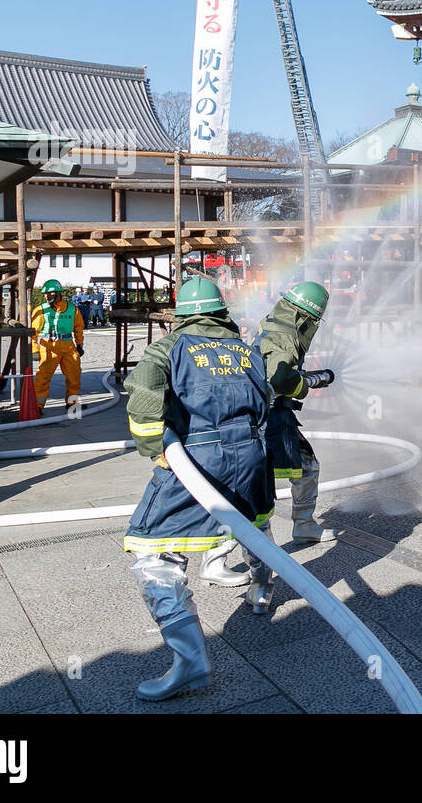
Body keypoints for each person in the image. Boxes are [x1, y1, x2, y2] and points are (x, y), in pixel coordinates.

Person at [122, 277, 273, 701]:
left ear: (181, 314)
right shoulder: (247, 351)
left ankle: (189, 662)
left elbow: (142, 399)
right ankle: (261, 591)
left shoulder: (168, 347)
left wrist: (156, 450)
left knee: (152, 551)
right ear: (222, 313)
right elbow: (265, 404)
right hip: (252, 456)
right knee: (254, 526)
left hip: (198, 458)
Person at [259, 281, 336, 545]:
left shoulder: (275, 327)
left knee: (307, 467)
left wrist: (303, 377)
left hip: (273, 415)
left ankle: (304, 525)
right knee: (254, 486)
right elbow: (279, 380)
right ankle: (218, 554)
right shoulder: (285, 337)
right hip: (266, 419)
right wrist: (306, 384)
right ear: (306, 318)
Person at [30, 280, 84, 411]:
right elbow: (33, 332)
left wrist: (79, 344)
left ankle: (72, 403)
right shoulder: (41, 310)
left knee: (74, 376)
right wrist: (34, 349)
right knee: (43, 377)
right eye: (46, 293)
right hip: (48, 346)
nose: (48, 296)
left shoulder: (72, 308)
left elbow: (78, 328)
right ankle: (37, 406)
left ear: (59, 293)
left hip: (68, 345)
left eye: (51, 293)